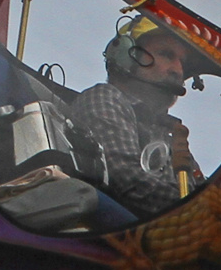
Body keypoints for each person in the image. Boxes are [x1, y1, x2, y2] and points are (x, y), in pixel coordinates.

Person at [70, 14, 203, 219]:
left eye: (182, 62)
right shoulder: (105, 98)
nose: (178, 71)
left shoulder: (169, 135)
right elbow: (127, 182)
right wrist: (203, 215)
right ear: (126, 56)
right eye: (166, 54)